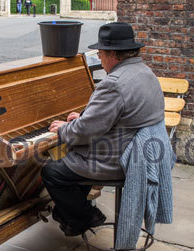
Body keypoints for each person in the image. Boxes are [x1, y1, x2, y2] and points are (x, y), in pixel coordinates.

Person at [41, 22, 168, 237]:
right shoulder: (146, 73)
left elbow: (85, 131)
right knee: (66, 155)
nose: (100, 60)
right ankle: (70, 216)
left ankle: (84, 217)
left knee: (52, 170)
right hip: (147, 155)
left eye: (100, 55)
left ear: (112, 55)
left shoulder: (114, 83)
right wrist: (82, 117)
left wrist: (65, 128)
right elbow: (122, 115)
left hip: (120, 160)